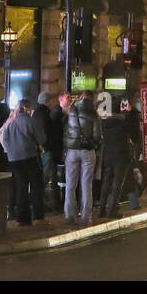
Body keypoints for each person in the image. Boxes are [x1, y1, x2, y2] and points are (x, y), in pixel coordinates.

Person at [0, 100, 46, 225]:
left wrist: (10, 150)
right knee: (36, 186)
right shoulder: (30, 120)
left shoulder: (10, 123)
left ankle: (22, 219)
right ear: (26, 108)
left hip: (14, 159)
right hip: (30, 157)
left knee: (20, 188)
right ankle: (38, 217)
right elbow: (42, 138)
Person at [62, 92, 99, 226]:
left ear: (81, 98)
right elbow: (97, 135)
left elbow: (67, 130)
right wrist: (92, 145)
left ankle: (69, 216)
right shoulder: (94, 113)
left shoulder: (72, 110)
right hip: (88, 151)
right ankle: (85, 217)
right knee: (86, 185)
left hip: (72, 151)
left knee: (70, 185)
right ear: (92, 99)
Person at [99, 97, 137, 219]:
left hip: (108, 154)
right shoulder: (122, 119)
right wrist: (128, 112)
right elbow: (133, 132)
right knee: (117, 182)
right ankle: (112, 210)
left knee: (106, 181)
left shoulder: (104, 122)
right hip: (121, 154)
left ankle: (101, 209)